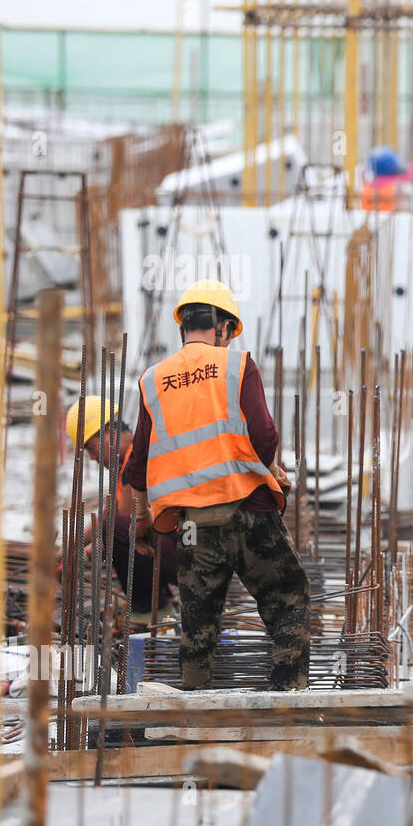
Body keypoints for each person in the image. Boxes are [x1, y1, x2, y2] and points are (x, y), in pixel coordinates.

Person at [122, 279, 309, 691]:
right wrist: (272, 471)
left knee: (198, 623)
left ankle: (194, 712)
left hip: (192, 525)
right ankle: (289, 695)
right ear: (223, 327)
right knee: (286, 597)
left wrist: (141, 517)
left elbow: (138, 466)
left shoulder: (153, 380)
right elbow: (263, 438)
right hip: (248, 509)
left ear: (183, 327)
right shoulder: (237, 365)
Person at [64, 397, 178, 622]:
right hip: (177, 549)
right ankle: (162, 600)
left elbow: (118, 527)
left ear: (110, 432)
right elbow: (108, 515)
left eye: (93, 448)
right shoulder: (130, 460)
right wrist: (70, 545)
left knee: (120, 530)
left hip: (187, 557)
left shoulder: (137, 460)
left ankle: (148, 610)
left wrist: (83, 557)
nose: (93, 458)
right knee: (117, 527)